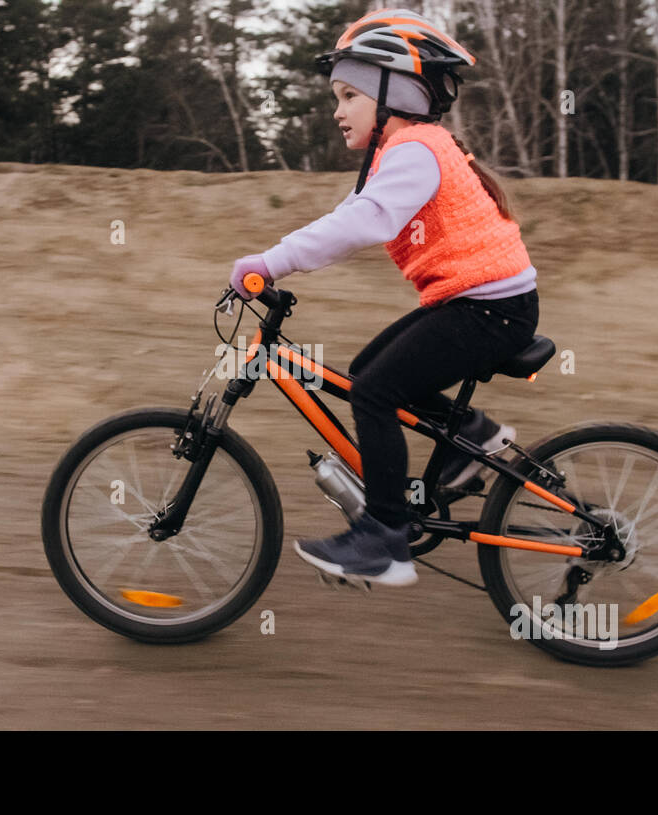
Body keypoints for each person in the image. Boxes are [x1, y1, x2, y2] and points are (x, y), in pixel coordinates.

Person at [228, 9, 540, 588]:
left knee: (374, 391)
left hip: (490, 311)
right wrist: (279, 258)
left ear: (393, 94)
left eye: (348, 95)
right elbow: (352, 215)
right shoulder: (410, 150)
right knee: (370, 371)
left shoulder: (417, 150)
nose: (337, 110)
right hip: (480, 304)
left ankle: (384, 537)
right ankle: (470, 436)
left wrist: (272, 262)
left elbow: (363, 223)